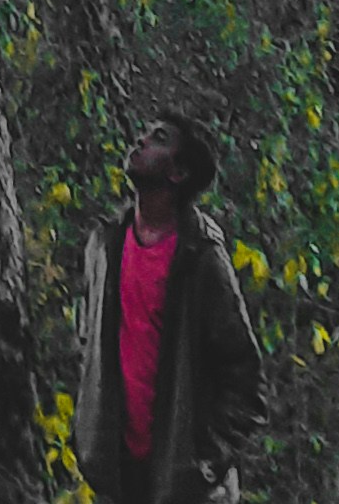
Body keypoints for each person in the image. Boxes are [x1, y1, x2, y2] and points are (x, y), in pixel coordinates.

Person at [72, 111, 266, 503]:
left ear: (178, 172)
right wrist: (88, 443)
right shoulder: (105, 247)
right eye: (144, 133)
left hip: (184, 487)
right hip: (119, 479)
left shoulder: (201, 259)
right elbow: (86, 346)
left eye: (158, 138)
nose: (141, 141)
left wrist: (206, 465)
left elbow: (245, 379)